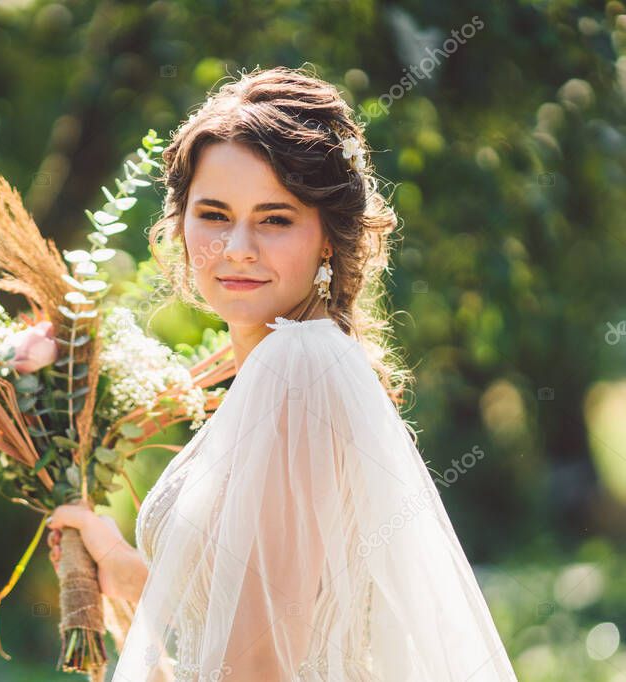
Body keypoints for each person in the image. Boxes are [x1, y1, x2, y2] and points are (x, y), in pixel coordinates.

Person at [46, 65, 518, 681]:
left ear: (328, 238)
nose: (238, 247)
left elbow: (258, 668)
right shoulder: (301, 365)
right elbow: (240, 627)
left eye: (275, 218)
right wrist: (126, 572)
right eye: (214, 214)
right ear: (180, 224)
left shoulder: (296, 371)